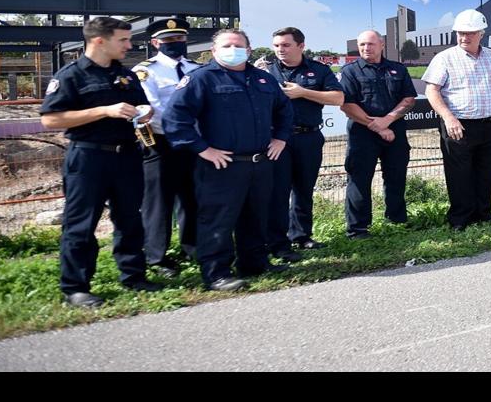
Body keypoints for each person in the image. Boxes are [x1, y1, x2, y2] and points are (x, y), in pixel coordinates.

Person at [39, 16, 162, 307]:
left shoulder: (127, 75)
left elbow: (140, 106)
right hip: (88, 157)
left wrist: (144, 113)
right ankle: (76, 287)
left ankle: (133, 275)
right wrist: (104, 110)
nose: (129, 46)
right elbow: (51, 119)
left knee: (130, 218)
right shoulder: (71, 75)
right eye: (123, 40)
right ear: (99, 40)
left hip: (127, 155)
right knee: (81, 224)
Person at [161, 28, 293, 292]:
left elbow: (284, 110)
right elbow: (174, 119)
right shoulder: (200, 79)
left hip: (259, 162)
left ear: (249, 49)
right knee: (218, 220)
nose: (232, 50)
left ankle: (254, 263)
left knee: (256, 217)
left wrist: (280, 138)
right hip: (221, 165)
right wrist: (202, 149)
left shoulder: (263, 79)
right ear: (213, 51)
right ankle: (217, 273)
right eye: (226, 46)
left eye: (238, 45)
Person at [258, 26, 341, 257]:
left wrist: (303, 92)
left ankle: (302, 236)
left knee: (304, 189)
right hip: (276, 141)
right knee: (278, 192)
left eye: (286, 45)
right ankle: (277, 243)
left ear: (301, 46)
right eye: (276, 46)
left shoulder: (318, 70)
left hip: (309, 137)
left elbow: (338, 97)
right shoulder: (264, 71)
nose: (280, 50)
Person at [422, 9, 491, 230]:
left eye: (470, 33)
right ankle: (460, 218)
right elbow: (432, 90)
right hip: (457, 124)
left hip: (487, 123)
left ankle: (483, 214)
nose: (464, 37)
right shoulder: (445, 58)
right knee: (459, 174)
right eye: (460, 33)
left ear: (482, 33)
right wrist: (448, 118)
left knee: (485, 170)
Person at [131, 16, 202, 277]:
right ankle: (156, 257)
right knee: (158, 202)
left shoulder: (196, 68)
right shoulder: (145, 71)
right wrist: (182, 127)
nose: (175, 43)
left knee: (192, 198)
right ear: (155, 42)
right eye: (169, 40)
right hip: (161, 143)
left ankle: (191, 248)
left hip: (193, 143)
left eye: (179, 38)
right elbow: (152, 109)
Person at [338, 30, 417, 239]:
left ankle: (397, 220)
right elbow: (347, 105)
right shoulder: (350, 71)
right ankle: (358, 229)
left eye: (371, 44)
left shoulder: (397, 69)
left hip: (395, 131)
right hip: (362, 134)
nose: (366, 48)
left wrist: (388, 120)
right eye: (362, 44)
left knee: (396, 177)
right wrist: (379, 127)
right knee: (359, 180)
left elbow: (409, 99)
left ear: (382, 45)